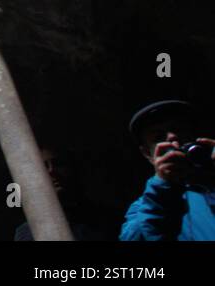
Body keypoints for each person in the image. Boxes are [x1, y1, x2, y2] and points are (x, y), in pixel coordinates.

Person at [120, 100, 215, 241]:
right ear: (148, 154)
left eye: (179, 130)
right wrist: (163, 188)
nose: (172, 137)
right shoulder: (145, 207)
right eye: (158, 137)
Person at [14, 147, 114, 241]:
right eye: (43, 166)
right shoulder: (29, 232)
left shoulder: (105, 219)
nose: (51, 170)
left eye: (58, 164)